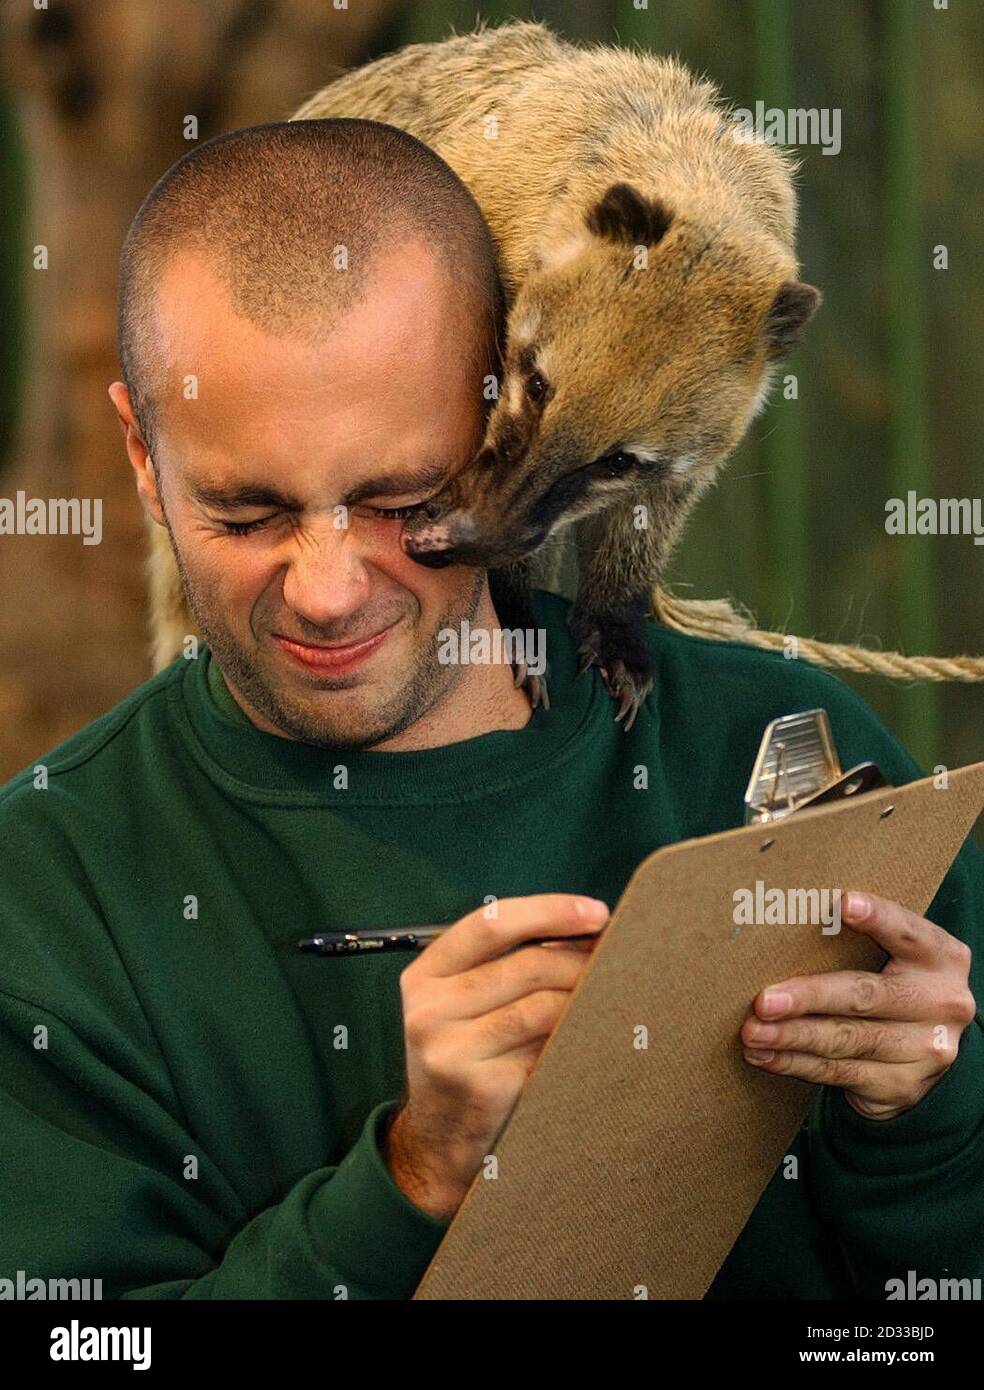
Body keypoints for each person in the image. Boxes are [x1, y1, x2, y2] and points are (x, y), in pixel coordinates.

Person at [1, 119, 981, 1301]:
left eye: (404, 499)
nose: (327, 589)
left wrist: (927, 1117)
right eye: (247, 514)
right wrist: (412, 1182)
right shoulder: (43, 898)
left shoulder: (803, 763)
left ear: (505, 409)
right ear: (142, 453)